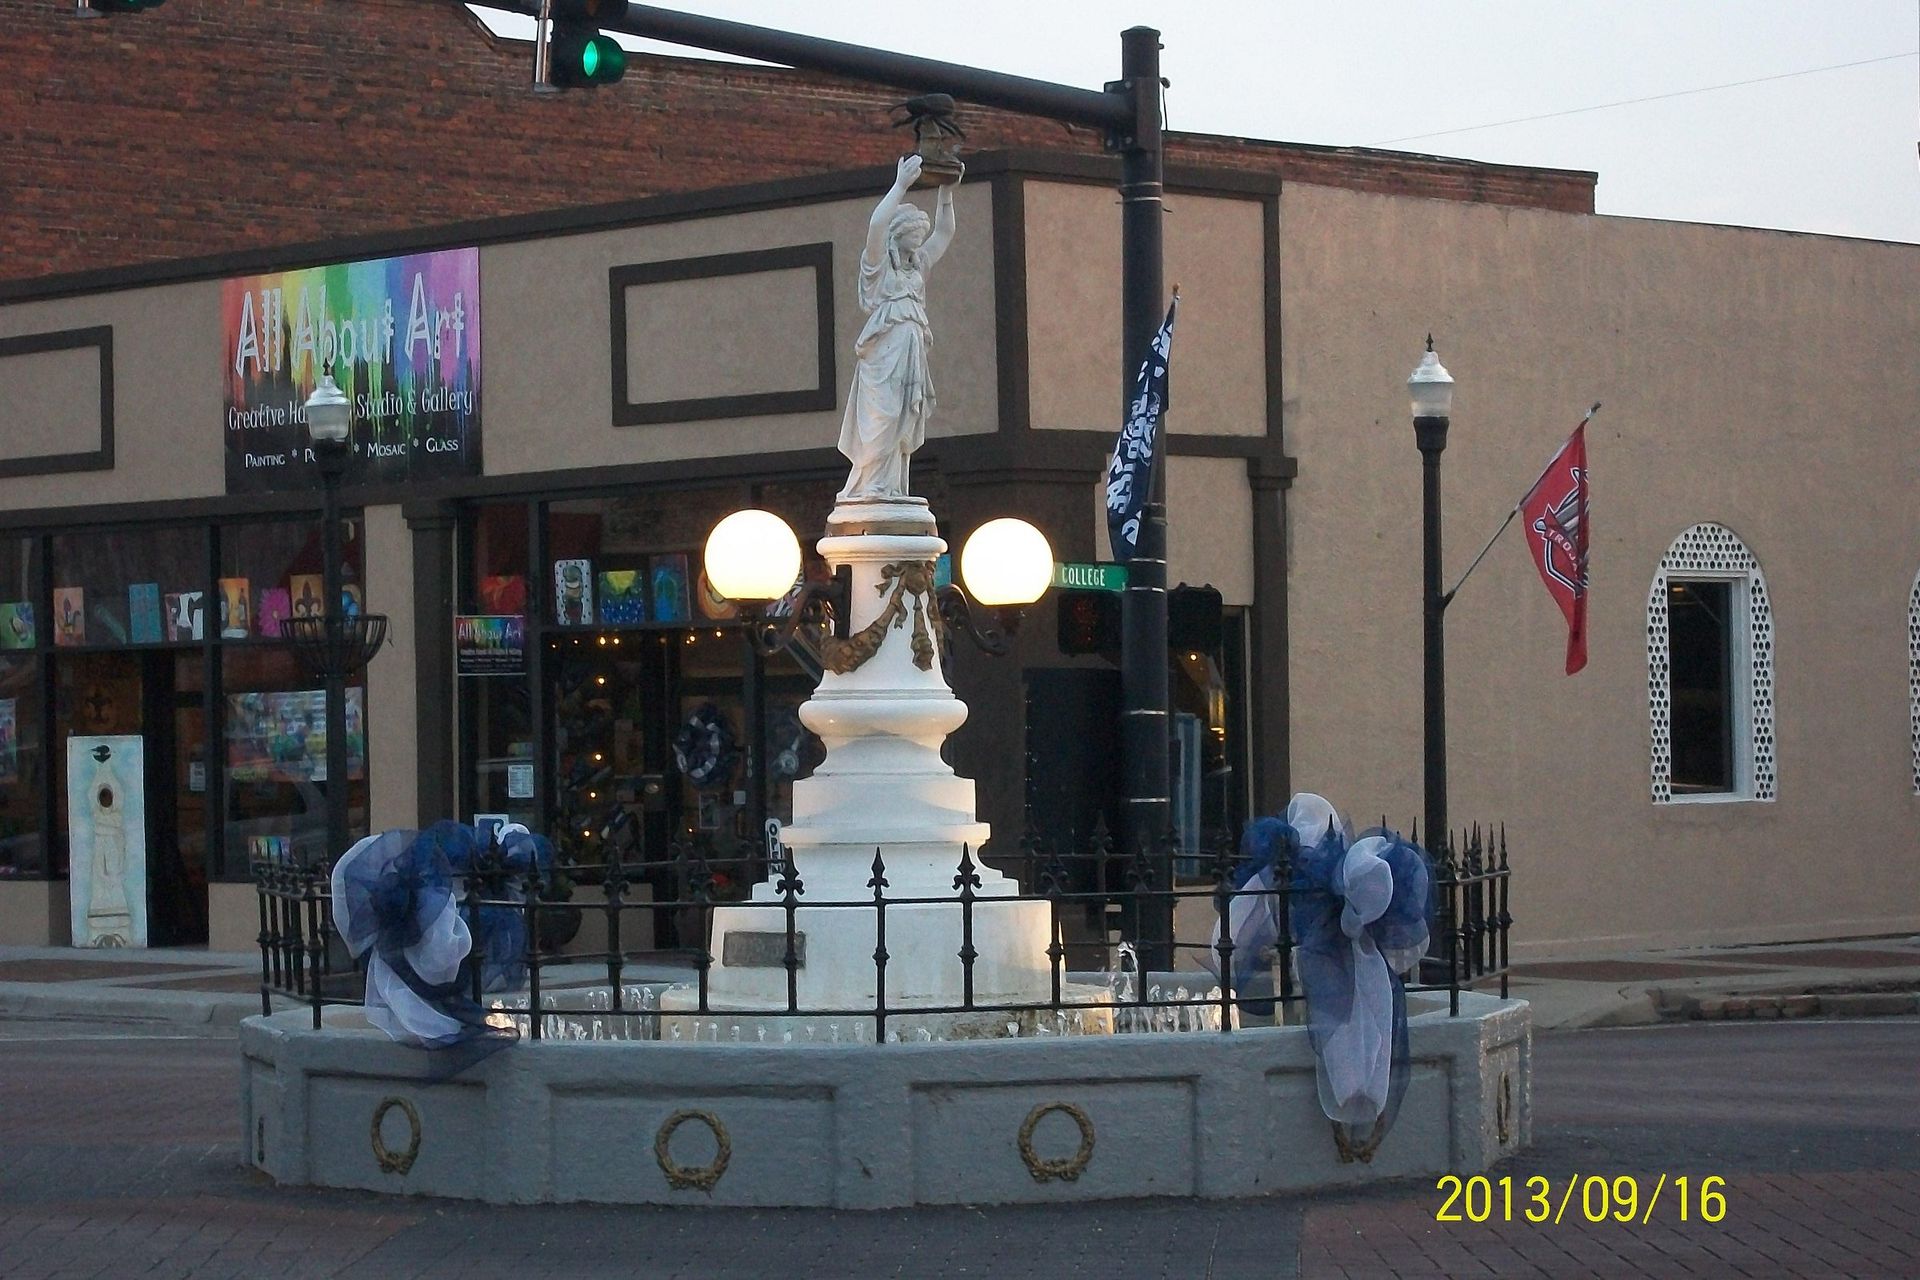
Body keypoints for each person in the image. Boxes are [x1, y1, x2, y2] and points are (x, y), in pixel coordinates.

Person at [836, 154, 957, 502]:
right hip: (882, 356)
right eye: (913, 236)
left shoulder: (917, 268)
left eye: (921, 236)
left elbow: (945, 232)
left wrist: (945, 194)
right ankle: (867, 486)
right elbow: (876, 225)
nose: (920, 242)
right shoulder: (878, 272)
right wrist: (900, 186)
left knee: (904, 417)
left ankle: (891, 487)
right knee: (882, 418)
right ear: (898, 237)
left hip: (911, 353)